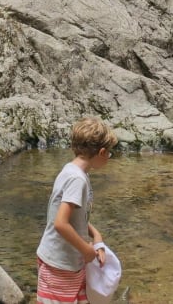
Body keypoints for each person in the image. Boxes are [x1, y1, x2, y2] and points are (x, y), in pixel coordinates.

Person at [36, 116, 119, 304]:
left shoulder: (71, 170)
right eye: (109, 153)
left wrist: (96, 235)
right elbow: (60, 223)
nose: (109, 157)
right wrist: (86, 250)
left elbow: (75, 218)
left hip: (64, 259)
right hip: (61, 263)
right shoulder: (77, 180)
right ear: (102, 152)